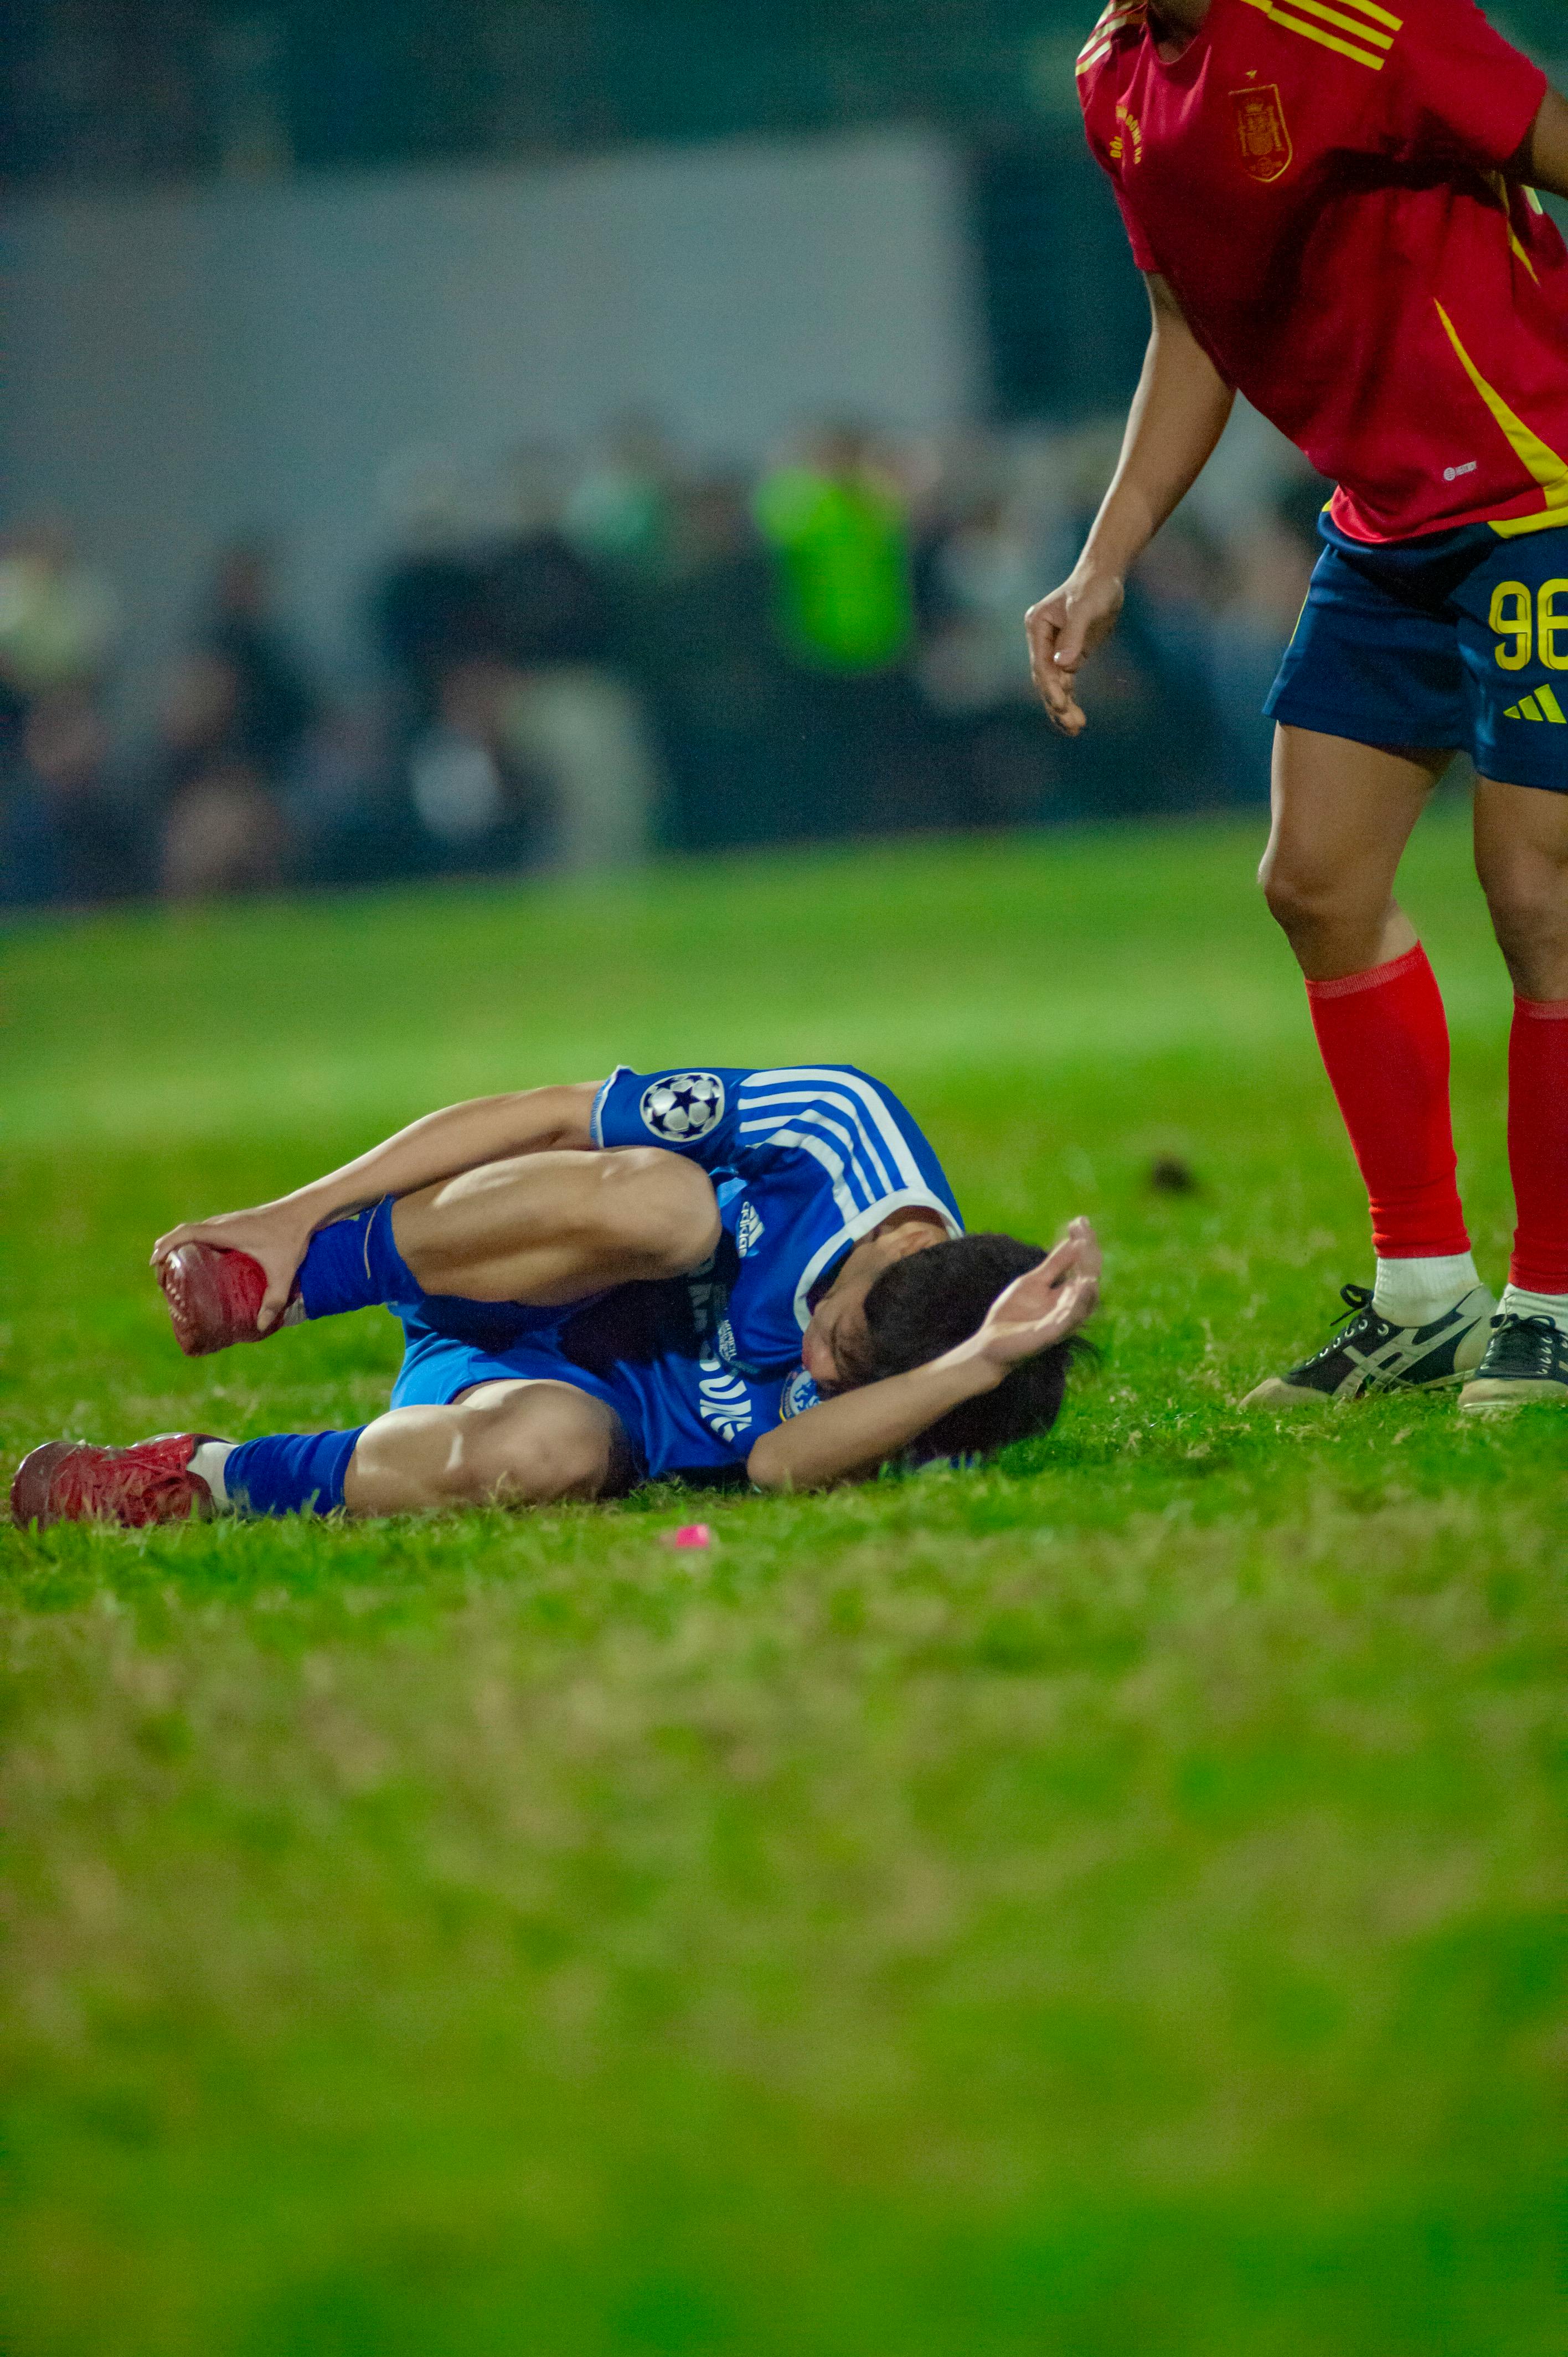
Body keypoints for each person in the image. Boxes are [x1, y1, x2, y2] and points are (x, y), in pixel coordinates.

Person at [1031, 0, 1568, 1412]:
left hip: (1542, 491)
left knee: (1539, 895)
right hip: (1387, 529)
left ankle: (1558, 1302)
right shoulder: (1116, 76)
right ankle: (1425, 1296)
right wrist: (1105, 559)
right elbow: (1189, 329)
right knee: (1316, 883)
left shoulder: (1356, 18)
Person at [11, 1065, 1100, 1527]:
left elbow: (776, 1464)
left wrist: (972, 1367)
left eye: (851, 1381)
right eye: (839, 1333)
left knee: (550, 1455)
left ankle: (201, 1476)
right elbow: (549, 1118)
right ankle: (301, 1282)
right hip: (509, 1268)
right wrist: (298, 1213)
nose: (814, 1367)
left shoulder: (947, 1398)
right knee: (672, 1207)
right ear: (894, 1249)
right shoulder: (834, 1128)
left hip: (553, 1399)